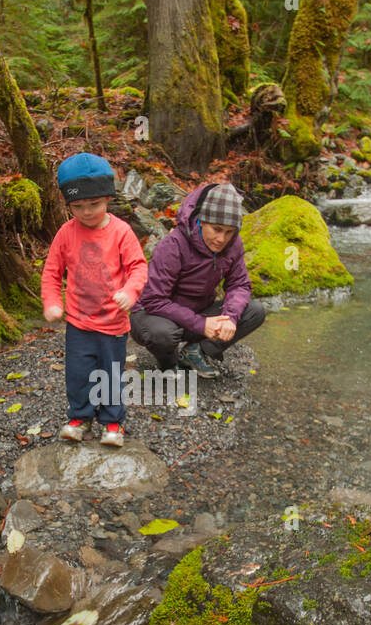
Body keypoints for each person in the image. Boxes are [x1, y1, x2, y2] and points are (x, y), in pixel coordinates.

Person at [41, 153, 148, 447]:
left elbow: (138, 267)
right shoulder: (66, 233)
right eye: (78, 206)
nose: (87, 212)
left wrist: (129, 292)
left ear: (108, 199)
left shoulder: (121, 232)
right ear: (69, 204)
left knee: (111, 373)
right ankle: (79, 417)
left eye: (95, 205)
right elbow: (51, 272)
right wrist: (52, 302)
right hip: (79, 321)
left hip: (113, 323)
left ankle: (113, 422)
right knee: (77, 372)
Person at [130, 182, 266, 378]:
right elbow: (154, 300)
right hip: (156, 315)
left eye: (229, 232)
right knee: (163, 334)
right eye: (216, 229)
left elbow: (239, 284)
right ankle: (168, 363)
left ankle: (196, 352)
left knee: (255, 311)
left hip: (199, 313)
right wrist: (201, 324)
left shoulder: (233, 244)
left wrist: (231, 317)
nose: (221, 239)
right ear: (202, 221)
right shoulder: (174, 245)